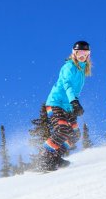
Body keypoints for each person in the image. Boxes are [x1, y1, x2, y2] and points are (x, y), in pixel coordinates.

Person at [38, 40, 92, 172]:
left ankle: (55, 157)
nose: (82, 56)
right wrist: (74, 102)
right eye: (79, 53)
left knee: (75, 134)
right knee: (62, 129)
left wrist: (74, 104)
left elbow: (75, 92)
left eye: (85, 53)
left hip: (68, 106)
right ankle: (44, 157)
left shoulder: (82, 70)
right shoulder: (69, 67)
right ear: (74, 53)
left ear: (88, 55)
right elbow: (67, 85)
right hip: (55, 103)